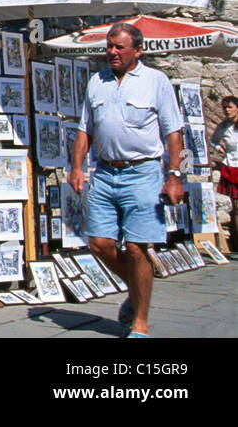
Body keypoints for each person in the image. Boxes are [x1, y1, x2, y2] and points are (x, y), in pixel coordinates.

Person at [70, 22, 185, 338]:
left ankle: (140, 323)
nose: (112, 52)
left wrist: (174, 176)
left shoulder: (156, 81)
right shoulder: (97, 81)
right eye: (109, 46)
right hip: (105, 173)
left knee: (136, 248)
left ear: (138, 50)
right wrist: (76, 166)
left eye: (119, 47)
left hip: (143, 173)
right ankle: (136, 293)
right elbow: (85, 129)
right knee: (100, 244)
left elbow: (173, 132)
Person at [210, 95, 238, 254]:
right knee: (235, 206)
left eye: (230, 107)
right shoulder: (223, 127)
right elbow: (213, 140)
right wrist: (219, 148)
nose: (227, 110)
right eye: (225, 107)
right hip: (232, 166)